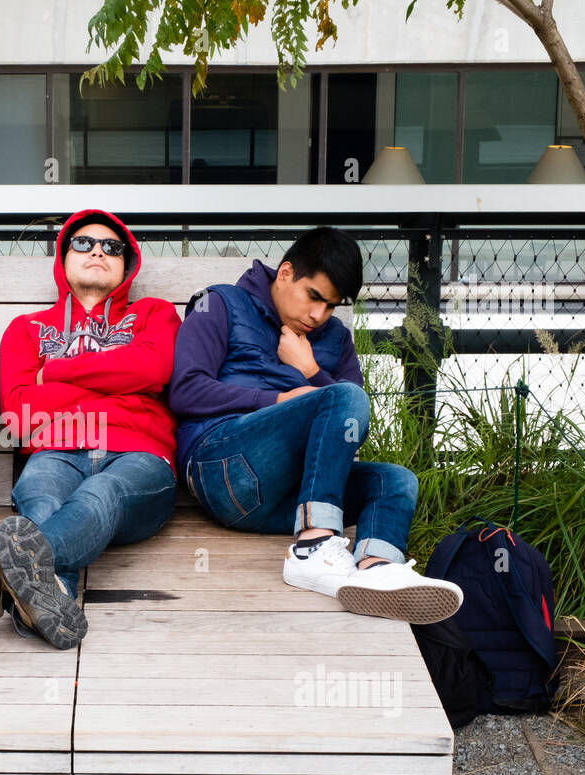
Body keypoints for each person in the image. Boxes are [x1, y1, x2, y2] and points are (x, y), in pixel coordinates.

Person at [168, 226, 462, 624]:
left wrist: (309, 369)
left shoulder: (334, 339)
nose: (318, 316)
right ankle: (312, 547)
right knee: (343, 394)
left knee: (396, 481)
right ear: (286, 273)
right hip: (221, 465)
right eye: (314, 297)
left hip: (287, 496)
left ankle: (375, 572)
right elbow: (185, 390)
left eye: (331, 306)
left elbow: (354, 422)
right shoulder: (218, 303)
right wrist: (278, 399)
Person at [0, 210, 180, 649]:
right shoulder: (26, 329)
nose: (97, 251)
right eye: (84, 243)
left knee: (101, 492)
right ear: (63, 257)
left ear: (126, 264)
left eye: (112, 247)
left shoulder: (154, 314)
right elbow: (19, 410)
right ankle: (53, 598)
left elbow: (153, 367)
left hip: (139, 455)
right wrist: (116, 383)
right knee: (42, 499)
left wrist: (53, 374)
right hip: (54, 451)